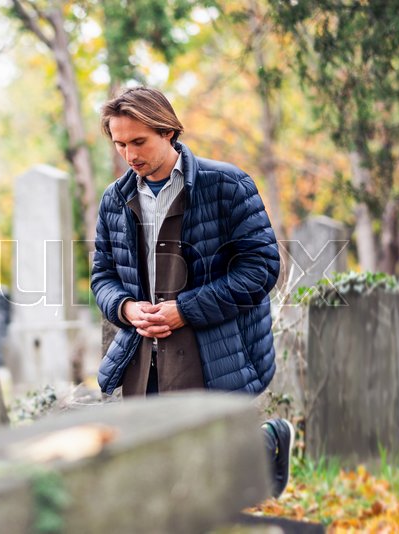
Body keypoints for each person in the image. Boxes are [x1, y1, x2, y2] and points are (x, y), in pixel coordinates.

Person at [91, 86, 294, 498]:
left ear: (168, 131)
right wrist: (126, 308)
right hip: (142, 346)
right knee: (151, 467)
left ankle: (266, 440)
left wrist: (185, 309)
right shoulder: (114, 200)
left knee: (204, 469)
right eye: (119, 144)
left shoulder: (228, 185)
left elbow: (262, 269)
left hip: (210, 342)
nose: (129, 155)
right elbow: (102, 276)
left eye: (138, 142)